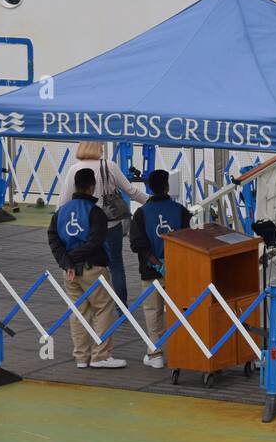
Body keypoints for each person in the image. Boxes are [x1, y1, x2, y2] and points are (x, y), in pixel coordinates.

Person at [47, 167, 126, 369]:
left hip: (69, 272)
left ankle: (81, 357)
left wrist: (66, 262)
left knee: (78, 312)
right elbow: (95, 241)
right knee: (104, 308)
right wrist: (72, 258)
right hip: (93, 269)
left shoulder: (60, 212)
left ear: (75, 185)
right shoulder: (95, 212)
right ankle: (100, 355)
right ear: (92, 187)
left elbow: (53, 240)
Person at [57, 142, 149, 305]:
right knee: (116, 266)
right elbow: (131, 192)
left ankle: (92, 303)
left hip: (85, 229)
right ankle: (122, 308)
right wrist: (153, 201)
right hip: (111, 225)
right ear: (98, 148)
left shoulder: (74, 170)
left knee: (89, 265)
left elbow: (63, 203)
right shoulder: (110, 166)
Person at [128, 169, 191, 369]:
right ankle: (183, 350)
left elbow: (137, 243)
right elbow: (188, 240)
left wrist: (156, 263)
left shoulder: (141, 213)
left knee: (152, 311)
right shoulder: (181, 210)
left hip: (151, 270)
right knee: (180, 310)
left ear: (149, 188)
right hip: (178, 269)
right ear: (167, 186)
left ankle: (155, 354)